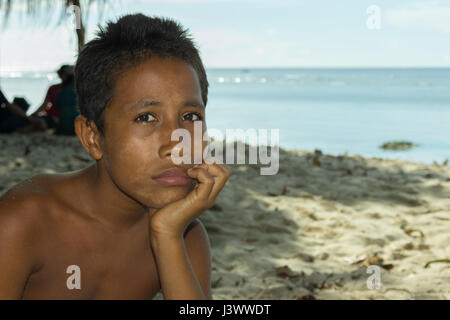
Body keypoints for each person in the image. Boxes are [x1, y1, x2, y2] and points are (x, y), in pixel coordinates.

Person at [0, 14, 231, 299]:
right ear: (92, 137)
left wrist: (167, 237)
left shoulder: (186, 236)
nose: (179, 143)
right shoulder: (23, 222)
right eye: (146, 117)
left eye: (190, 116)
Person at [30, 65, 74, 130]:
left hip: (55, 119)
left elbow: (45, 105)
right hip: (63, 120)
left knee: (36, 122)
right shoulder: (76, 90)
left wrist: (32, 115)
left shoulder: (56, 89)